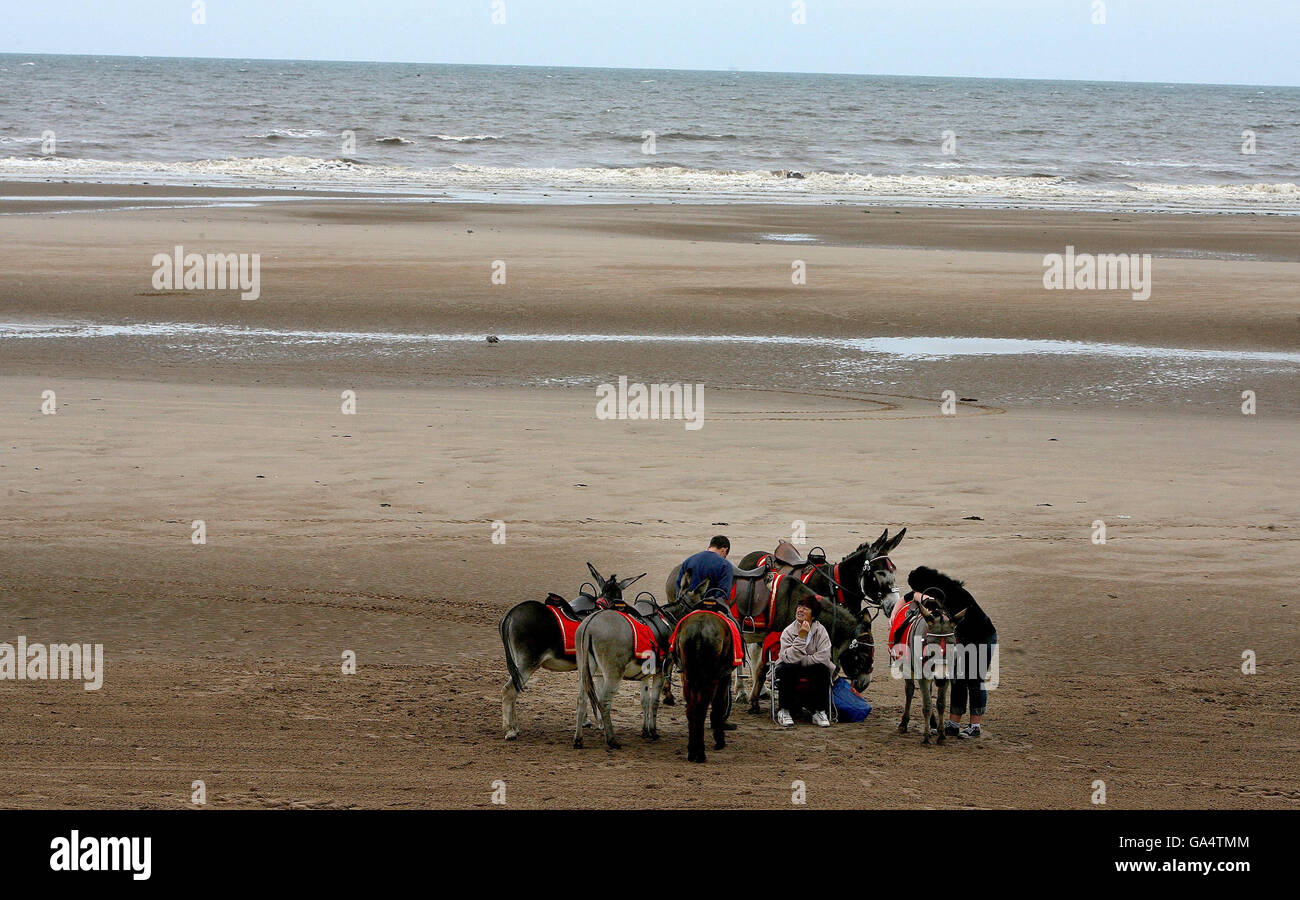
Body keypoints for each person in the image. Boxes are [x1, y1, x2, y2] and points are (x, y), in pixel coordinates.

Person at [907, 566, 997, 739]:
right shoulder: (942, 588)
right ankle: (953, 724)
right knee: (958, 679)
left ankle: (975, 726)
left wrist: (916, 596)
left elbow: (924, 598)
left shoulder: (946, 592)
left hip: (982, 637)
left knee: (975, 680)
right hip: (962, 639)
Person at [776, 594, 833, 728]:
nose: (800, 610)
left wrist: (802, 660)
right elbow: (788, 658)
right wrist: (801, 637)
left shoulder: (821, 631)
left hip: (810, 667)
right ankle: (784, 711)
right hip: (791, 667)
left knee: (823, 669)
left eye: (806, 608)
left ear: (813, 615)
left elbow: (824, 656)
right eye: (799, 607)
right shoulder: (789, 631)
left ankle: (819, 711)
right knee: (786, 669)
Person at [677, 535, 734, 606]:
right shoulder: (725, 565)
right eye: (725, 555)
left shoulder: (688, 561)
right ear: (724, 550)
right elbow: (723, 594)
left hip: (686, 607)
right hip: (708, 610)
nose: (724, 558)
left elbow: (679, 585)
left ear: (709, 547)